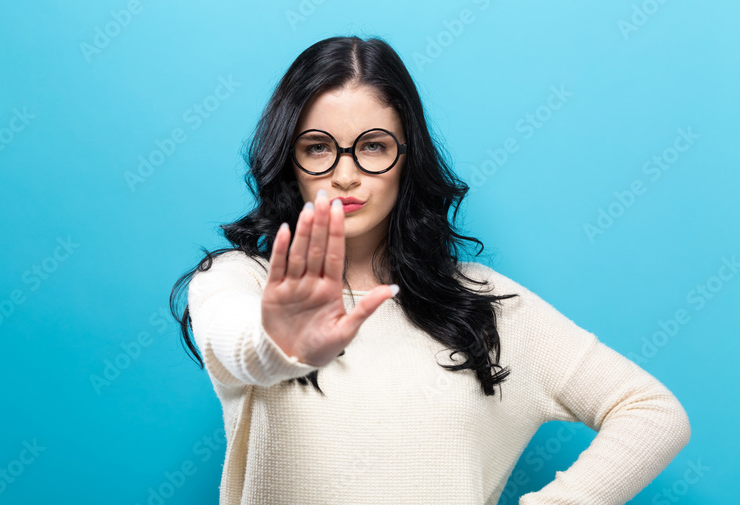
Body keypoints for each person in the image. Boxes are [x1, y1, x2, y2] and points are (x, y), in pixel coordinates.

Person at [168, 35, 690, 504]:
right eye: (318, 148)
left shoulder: (483, 304)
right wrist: (280, 343)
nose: (345, 175)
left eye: (373, 146)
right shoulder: (239, 280)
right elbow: (236, 346)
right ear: (290, 161)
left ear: (406, 158)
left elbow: (650, 411)